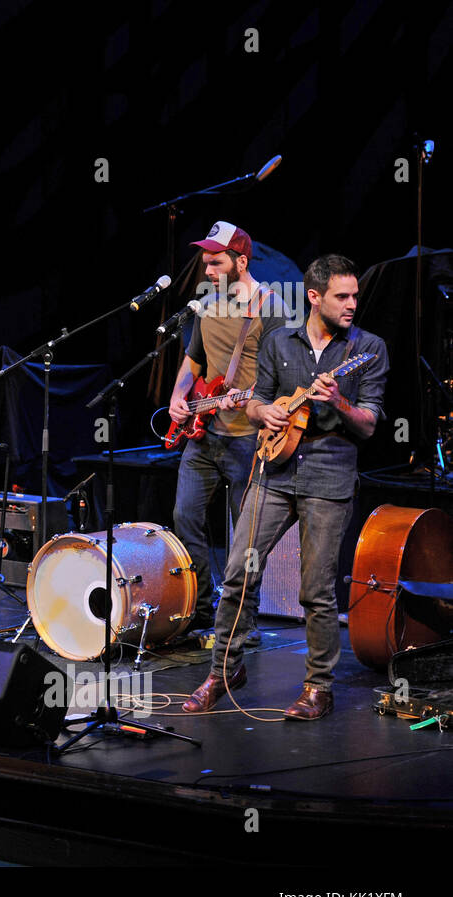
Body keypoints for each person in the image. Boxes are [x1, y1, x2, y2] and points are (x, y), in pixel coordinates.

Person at [182, 254, 389, 720]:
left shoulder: (369, 348)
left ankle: (319, 686)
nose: (352, 303)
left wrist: (341, 402)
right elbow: (255, 401)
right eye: (342, 296)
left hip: (329, 474)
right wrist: (265, 413)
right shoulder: (280, 342)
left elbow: (371, 423)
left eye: (355, 295)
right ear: (314, 297)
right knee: (238, 572)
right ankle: (223, 671)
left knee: (316, 591)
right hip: (274, 469)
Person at [168, 221, 291, 637]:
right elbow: (194, 361)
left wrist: (256, 398)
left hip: (248, 440)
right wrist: (178, 396)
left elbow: (286, 374)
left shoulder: (271, 307)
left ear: (241, 261)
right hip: (203, 434)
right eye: (205, 263)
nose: (208, 271)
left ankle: (243, 621)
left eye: (216, 262)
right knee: (184, 518)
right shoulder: (206, 307)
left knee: (246, 540)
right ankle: (203, 611)